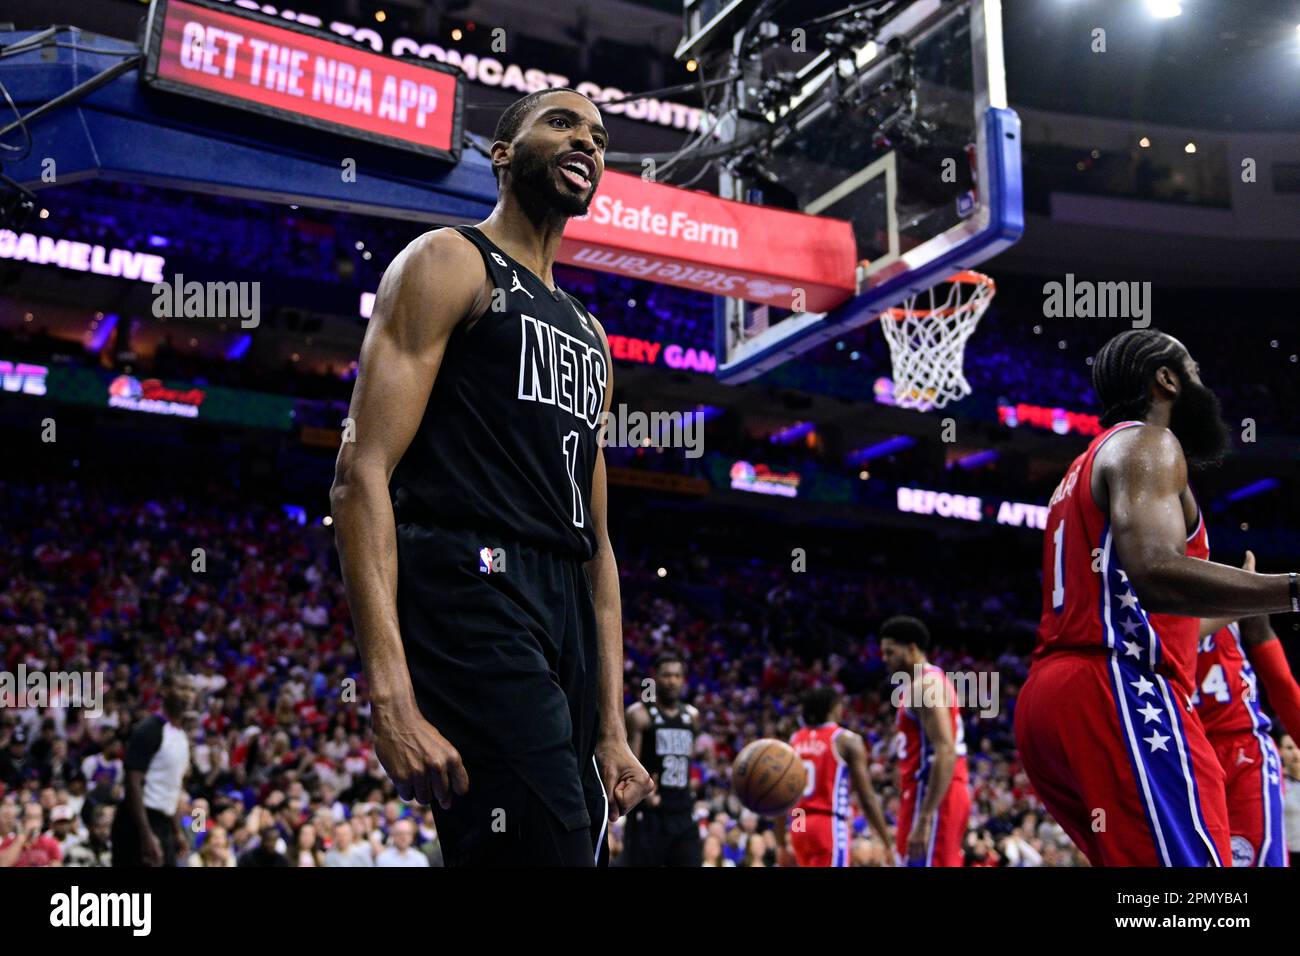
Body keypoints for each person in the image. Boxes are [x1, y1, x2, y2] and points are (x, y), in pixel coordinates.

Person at [331, 86, 650, 867]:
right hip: (471, 582)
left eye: (600, 136)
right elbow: (359, 473)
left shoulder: (592, 335)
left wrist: (611, 724)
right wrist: (389, 692)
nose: (588, 142)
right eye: (562, 123)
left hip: (562, 604)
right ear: (503, 154)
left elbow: (598, 547)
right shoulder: (450, 259)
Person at [1015, 329, 1300, 866]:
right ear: (1166, 380)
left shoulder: (1084, 466)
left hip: (1053, 698)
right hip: (1118, 688)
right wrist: (1292, 590)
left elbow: (1159, 615)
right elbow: (1158, 573)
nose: (1204, 386)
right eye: (1193, 371)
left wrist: (1243, 601)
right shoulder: (1148, 442)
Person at [1194, 594, 1300, 867]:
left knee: (1252, 859)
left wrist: (1252, 595)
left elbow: (1278, 678)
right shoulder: (1131, 595)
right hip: (1182, 749)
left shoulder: (1221, 584)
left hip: (1242, 745)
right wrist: (1244, 599)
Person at [881, 616, 972, 867]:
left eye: (890, 652)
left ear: (911, 649)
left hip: (936, 795)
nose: (884, 659)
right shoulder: (918, 684)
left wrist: (925, 818)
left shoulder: (926, 685)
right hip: (926, 793)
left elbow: (945, 751)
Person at [780, 686, 891, 867]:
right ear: (833, 708)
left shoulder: (794, 740)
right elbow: (867, 797)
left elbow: (780, 794)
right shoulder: (845, 740)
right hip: (827, 822)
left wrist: (780, 844)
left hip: (798, 823)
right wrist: (886, 841)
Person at [622, 653, 702, 866]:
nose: (672, 680)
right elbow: (630, 764)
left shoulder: (692, 716)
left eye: (677, 675)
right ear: (655, 677)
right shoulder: (639, 714)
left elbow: (687, 759)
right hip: (650, 813)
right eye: (666, 675)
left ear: (683, 679)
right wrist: (644, 795)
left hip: (683, 812)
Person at [111, 670, 194, 867]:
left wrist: (176, 831)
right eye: (182, 688)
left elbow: (173, 789)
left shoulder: (181, 737)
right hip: (138, 822)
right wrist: (146, 834)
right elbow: (132, 782)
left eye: (191, 690)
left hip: (162, 822)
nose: (188, 694)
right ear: (164, 691)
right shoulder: (149, 729)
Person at [1280, 733, 1300, 868]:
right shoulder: (1275, 783)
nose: (1295, 752)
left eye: (1297, 747)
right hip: (1289, 855)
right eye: (1289, 748)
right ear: (1280, 751)